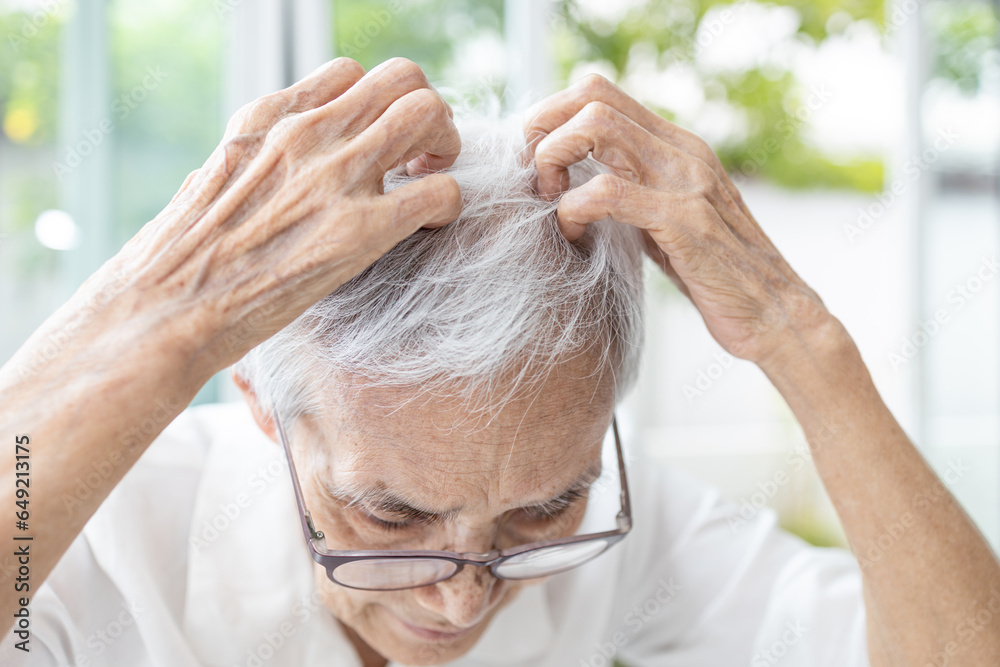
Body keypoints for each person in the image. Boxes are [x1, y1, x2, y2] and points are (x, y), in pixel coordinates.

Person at [1, 57, 998, 667]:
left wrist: (798, 333)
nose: (465, 595)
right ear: (260, 399)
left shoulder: (609, 530)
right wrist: (163, 314)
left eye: (540, 508)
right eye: (389, 514)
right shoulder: (100, 540)